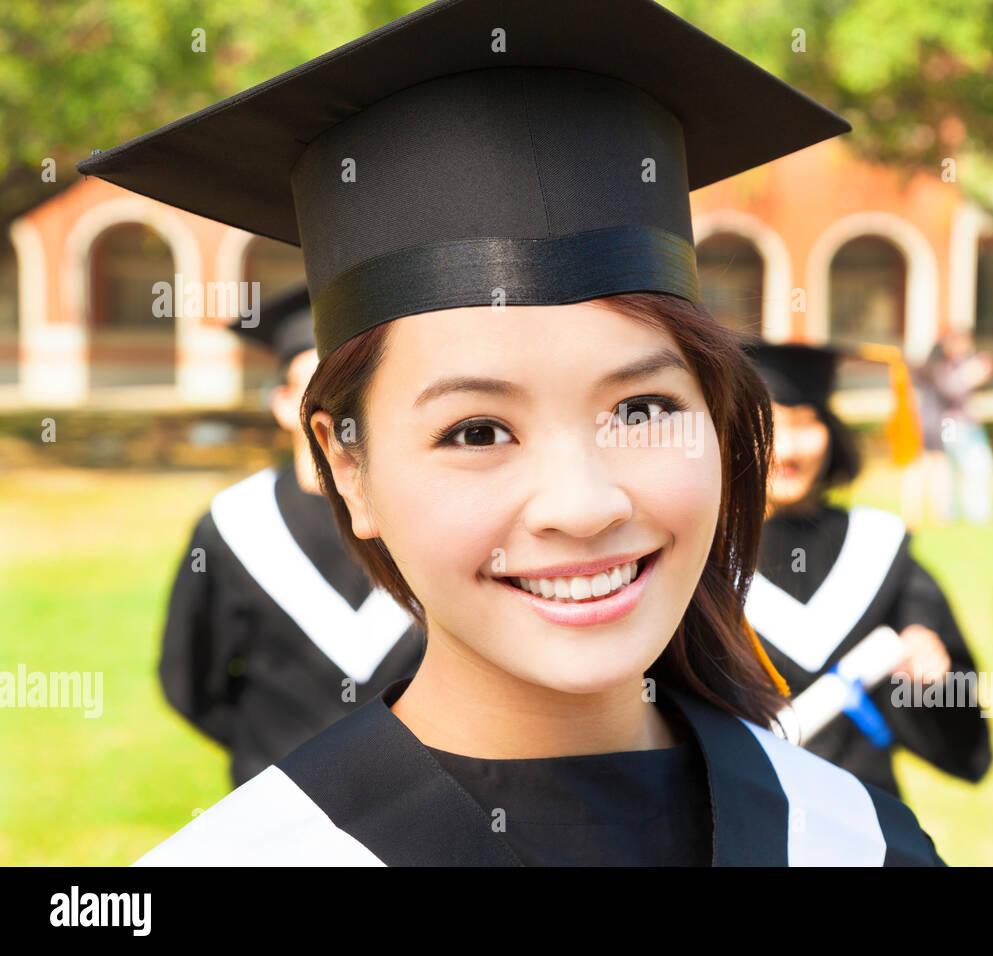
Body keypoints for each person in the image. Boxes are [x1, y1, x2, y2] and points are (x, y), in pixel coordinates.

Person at [82, 0, 945, 866]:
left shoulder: (855, 842)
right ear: (349, 467)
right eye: (477, 429)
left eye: (642, 410)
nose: (582, 505)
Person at [159, 284, 425, 787]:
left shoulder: (435, 518)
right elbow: (189, 681)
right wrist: (269, 750)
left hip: (428, 798)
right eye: (311, 387)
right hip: (277, 801)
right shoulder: (234, 525)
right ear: (282, 404)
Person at [742, 341, 991, 798]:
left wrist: (931, 677)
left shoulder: (877, 544)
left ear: (832, 432)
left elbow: (960, 729)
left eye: (806, 423)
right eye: (769, 425)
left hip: (866, 809)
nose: (790, 448)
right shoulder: (705, 560)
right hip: (747, 813)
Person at [908, 332, 993, 526]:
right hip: (945, 425)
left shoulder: (945, 367)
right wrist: (970, 379)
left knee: (940, 468)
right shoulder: (942, 368)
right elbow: (950, 392)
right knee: (946, 468)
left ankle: (944, 513)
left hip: (939, 424)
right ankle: (947, 513)